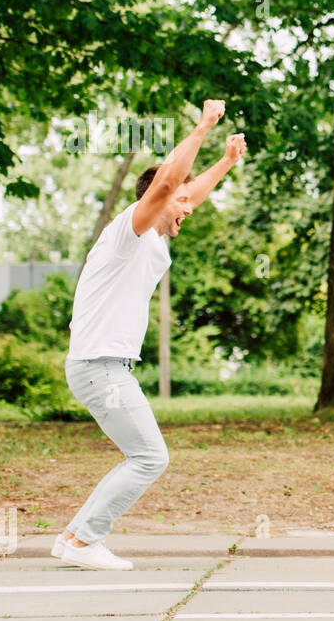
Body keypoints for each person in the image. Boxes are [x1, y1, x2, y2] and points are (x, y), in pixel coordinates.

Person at [53, 99, 245, 570]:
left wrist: (225, 161)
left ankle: (76, 538)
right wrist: (203, 126)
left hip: (103, 367)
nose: (190, 209)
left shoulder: (155, 234)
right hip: (100, 368)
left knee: (144, 455)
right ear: (157, 200)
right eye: (181, 202)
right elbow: (167, 185)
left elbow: (186, 191)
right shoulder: (129, 230)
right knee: (148, 457)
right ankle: (80, 541)